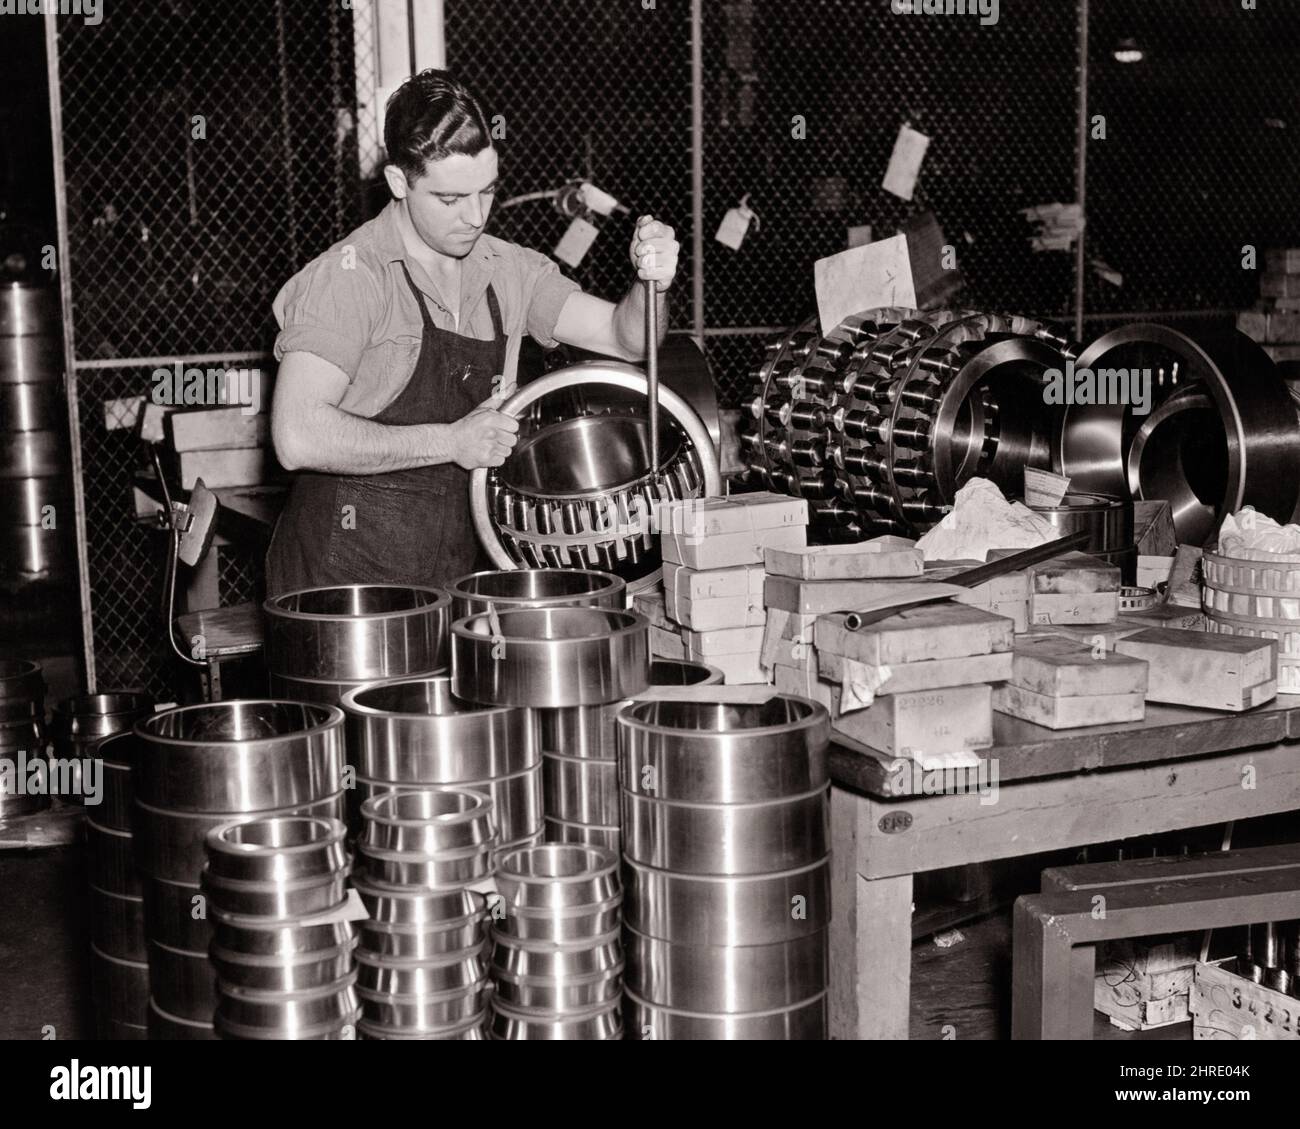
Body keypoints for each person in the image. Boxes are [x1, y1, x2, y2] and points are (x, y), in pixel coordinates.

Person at [265, 69, 678, 595]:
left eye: (487, 191)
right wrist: (451, 440)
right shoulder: (350, 277)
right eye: (450, 198)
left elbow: (627, 340)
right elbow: (297, 436)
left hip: (456, 574)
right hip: (341, 590)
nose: (476, 216)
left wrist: (654, 283)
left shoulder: (508, 270)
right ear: (399, 183)